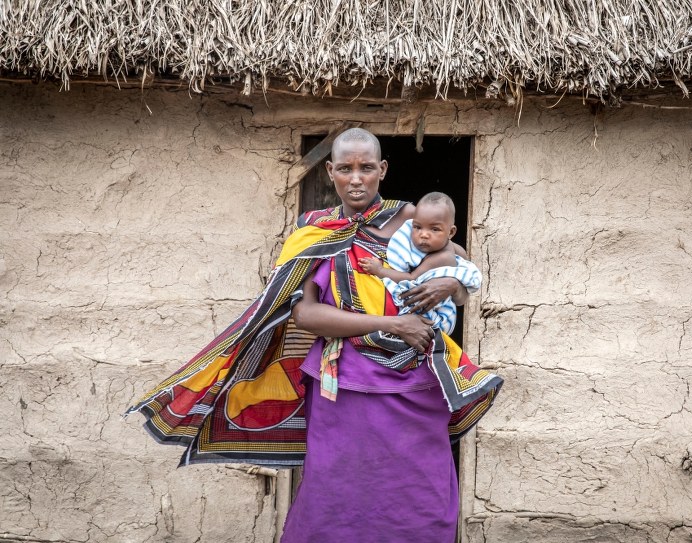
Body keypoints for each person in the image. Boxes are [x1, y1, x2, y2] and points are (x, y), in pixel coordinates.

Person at [125, 128, 502, 543]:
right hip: (343, 384)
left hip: (417, 382)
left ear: (383, 170)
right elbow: (305, 314)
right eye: (345, 168)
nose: (356, 178)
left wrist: (451, 287)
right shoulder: (312, 232)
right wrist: (390, 323)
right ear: (330, 172)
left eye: (365, 168)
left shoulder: (413, 220)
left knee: (419, 495)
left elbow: (466, 276)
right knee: (335, 495)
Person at [358, 191, 481, 335]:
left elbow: (412, 278)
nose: (423, 234)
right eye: (417, 227)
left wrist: (379, 271)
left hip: (437, 319)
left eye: (434, 229)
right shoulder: (442, 246)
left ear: (451, 232)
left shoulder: (443, 257)